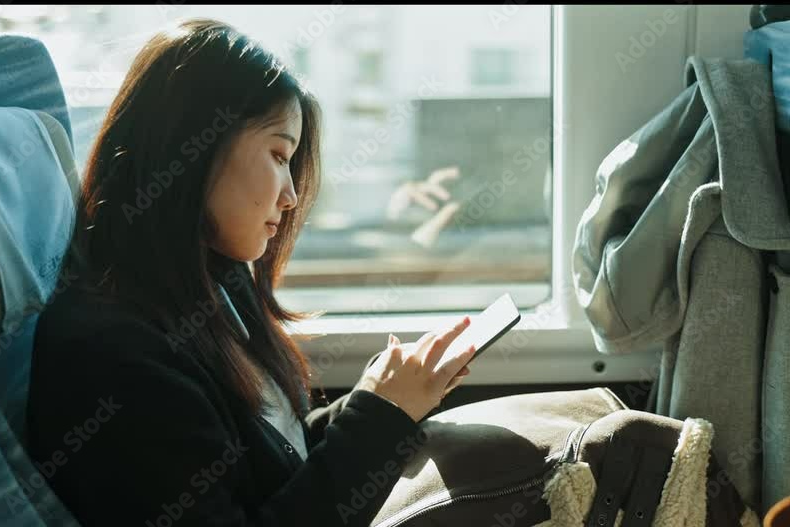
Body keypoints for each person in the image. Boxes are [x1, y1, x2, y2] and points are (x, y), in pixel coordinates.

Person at [26, 18, 475, 527]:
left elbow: (276, 457)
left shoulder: (214, 284)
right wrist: (381, 418)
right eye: (279, 155)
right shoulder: (111, 355)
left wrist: (378, 396)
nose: (289, 198)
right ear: (194, 144)